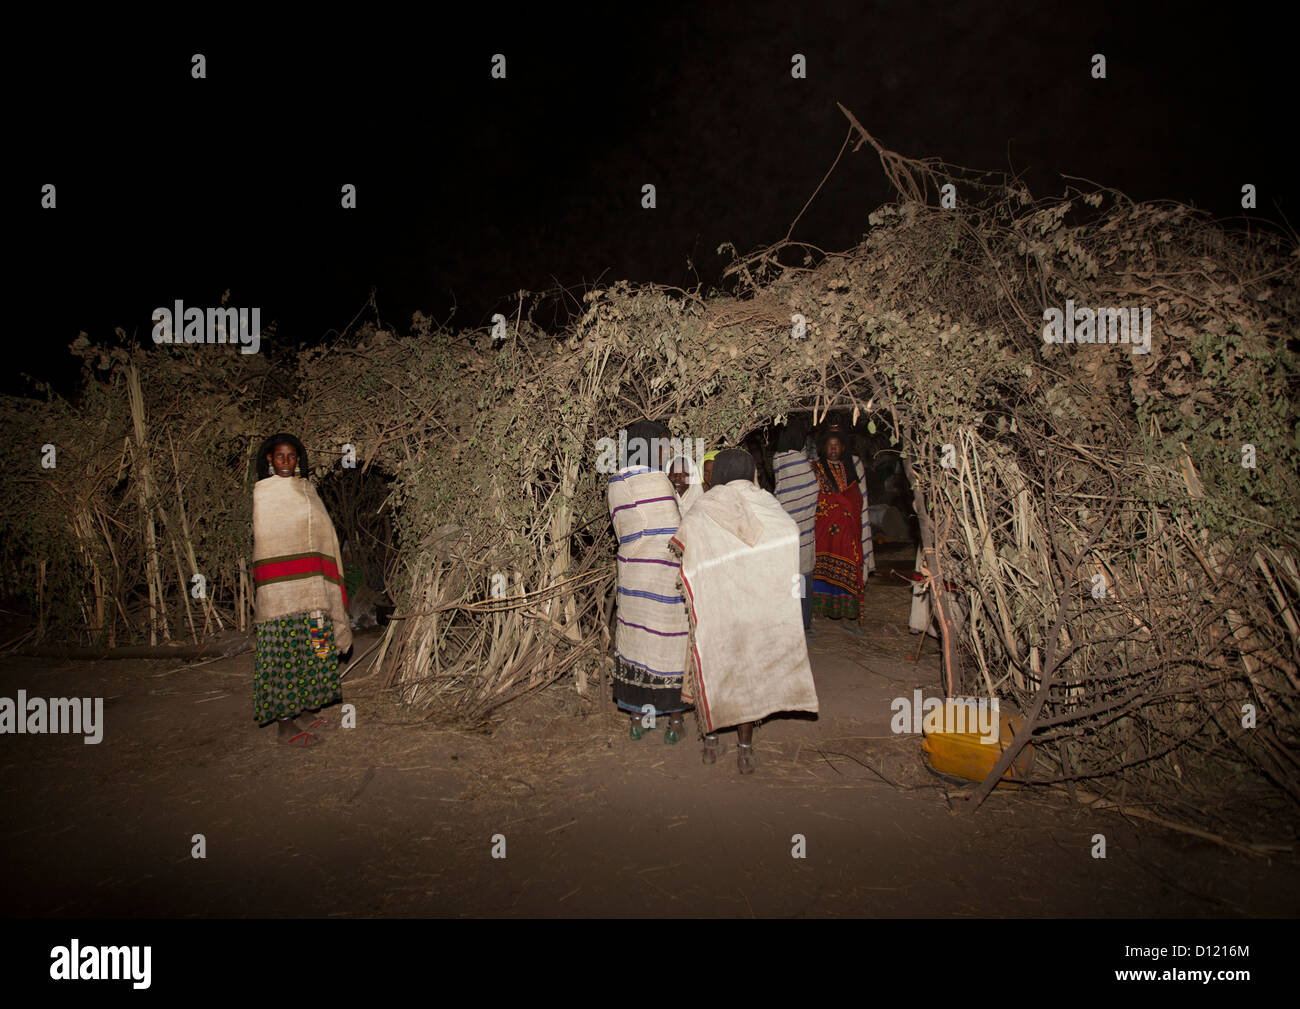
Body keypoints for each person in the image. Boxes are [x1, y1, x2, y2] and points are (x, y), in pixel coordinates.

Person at [669, 449, 819, 774]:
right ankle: (745, 751)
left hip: (716, 608)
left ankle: (710, 745)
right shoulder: (766, 503)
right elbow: (791, 534)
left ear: (719, 473)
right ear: (750, 471)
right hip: (753, 610)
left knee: (712, 669)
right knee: (746, 677)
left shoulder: (705, 507)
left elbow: (683, 544)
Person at [251, 434, 353, 747]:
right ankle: (285, 725)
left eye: (292, 456)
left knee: (316, 649)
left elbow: (322, 536)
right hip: (280, 595)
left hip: (314, 591)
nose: (286, 462)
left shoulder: (307, 490)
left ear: (299, 460)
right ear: (269, 459)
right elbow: (270, 540)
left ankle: (307, 709)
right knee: (284, 656)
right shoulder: (265, 495)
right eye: (279, 456)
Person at [607, 419, 690, 743]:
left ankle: (639, 720)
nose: (668, 451)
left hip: (632, 578)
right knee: (669, 646)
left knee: (637, 644)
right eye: (663, 445)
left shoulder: (616, 481)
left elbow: (624, 532)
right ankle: (675, 723)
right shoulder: (657, 480)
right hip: (663, 579)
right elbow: (674, 531)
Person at [810, 427, 875, 634]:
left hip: (847, 534)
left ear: (843, 448)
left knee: (848, 572)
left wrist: (845, 506)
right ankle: (816, 612)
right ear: (823, 448)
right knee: (819, 570)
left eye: (836, 446)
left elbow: (857, 499)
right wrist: (837, 505)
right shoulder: (816, 469)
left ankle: (847, 616)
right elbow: (815, 499)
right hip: (823, 533)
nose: (833, 450)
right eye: (829, 446)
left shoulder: (851, 469)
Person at [773, 422, 818, 637]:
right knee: (803, 578)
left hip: (785, 531)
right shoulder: (800, 460)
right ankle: (803, 623)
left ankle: (790, 622)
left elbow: (782, 492)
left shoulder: (777, 459)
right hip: (805, 530)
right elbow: (810, 488)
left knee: (793, 579)